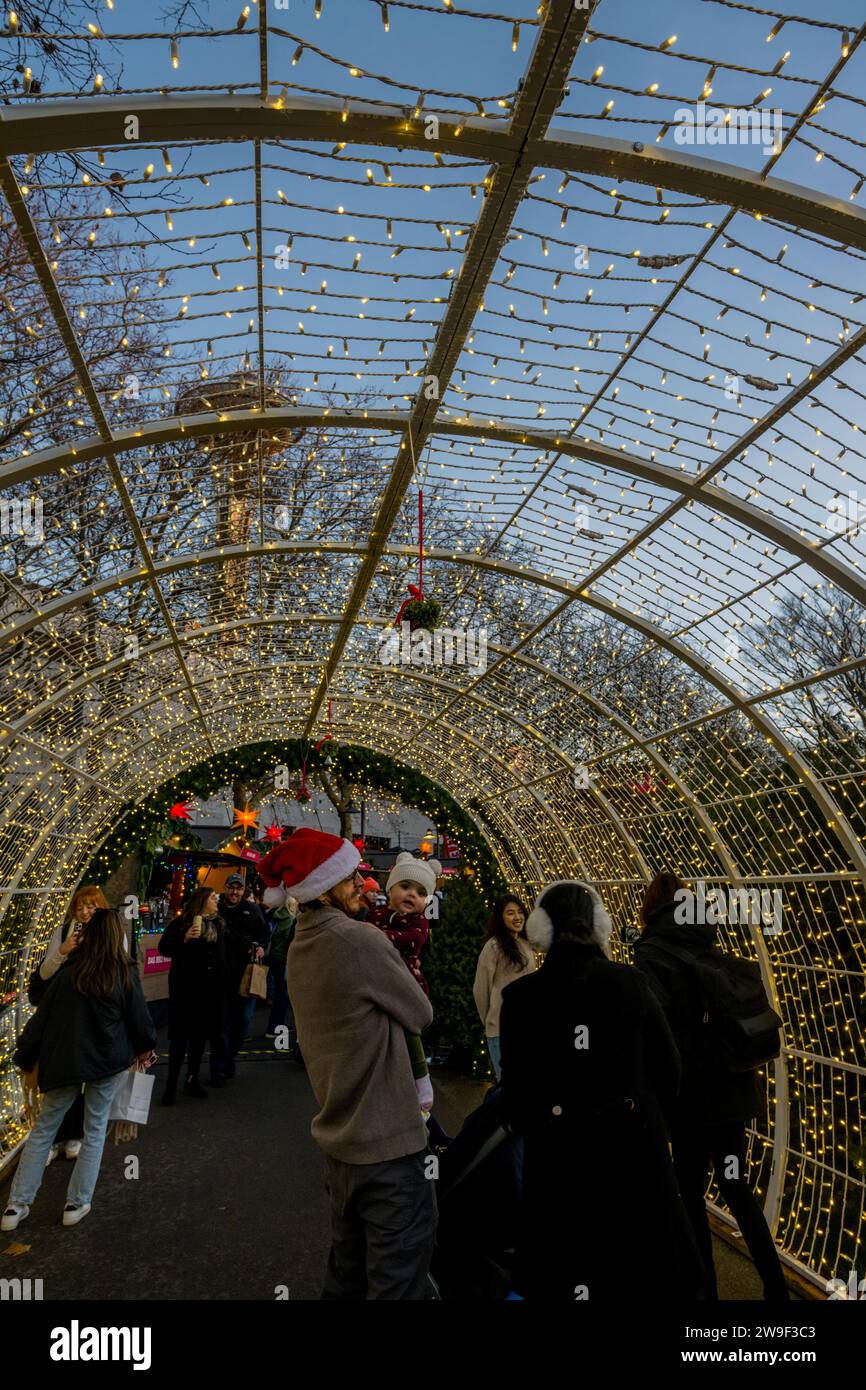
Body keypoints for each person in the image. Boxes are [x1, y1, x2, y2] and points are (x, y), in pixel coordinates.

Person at [498, 879, 706, 1301]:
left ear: (540, 928)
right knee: (635, 1270)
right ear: (601, 926)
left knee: (565, 1269)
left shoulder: (520, 997)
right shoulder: (631, 983)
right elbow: (669, 1066)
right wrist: (649, 1122)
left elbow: (515, 1090)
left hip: (556, 1161)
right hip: (632, 1152)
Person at [258, 828, 436, 1300]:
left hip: (341, 1144)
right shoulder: (359, 940)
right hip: (389, 1147)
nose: (362, 882)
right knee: (396, 1279)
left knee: (348, 1274)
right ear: (324, 884)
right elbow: (420, 1012)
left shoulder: (301, 944)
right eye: (350, 876)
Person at [633, 872, 789, 1302]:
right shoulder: (704, 939)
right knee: (737, 1188)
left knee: (690, 1194)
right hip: (732, 1091)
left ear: (651, 906)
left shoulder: (651, 952)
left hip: (688, 1101)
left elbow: (655, 1030)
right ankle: (776, 1289)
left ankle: (706, 1292)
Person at [3, 908, 157, 1232]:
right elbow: (140, 1021)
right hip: (107, 1062)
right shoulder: (123, 972)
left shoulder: (68, 972)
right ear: (118, 936)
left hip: (64, 1061)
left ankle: (15, 1207)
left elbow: (39, 1017)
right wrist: (146, 1048)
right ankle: (76, 1203)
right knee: (95, 1127)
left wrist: (24, 1056)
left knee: (44, 1128)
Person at [31, 885, 109, 1165]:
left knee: (85, 1077)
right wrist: (63, 950)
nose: (86, 912)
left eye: (91, 906)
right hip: (63, 1016)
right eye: (80, 907)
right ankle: (55, 1136)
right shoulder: (63, 933)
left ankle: (75, 1134)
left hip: (94, 1015)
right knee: (62, 1076)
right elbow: (43, 974)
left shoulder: (109, 934)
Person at [366, 852, 439, 1114]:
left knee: (410, 1033)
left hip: (407, 986)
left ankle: (422, 1079)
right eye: (405, 887)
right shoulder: (375, 914)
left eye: (420, 893)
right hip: (377, 984)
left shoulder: (420, 921)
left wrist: (379, 936)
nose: (411, 895)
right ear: (391, 888)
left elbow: (412, 940)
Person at [158, 887, 228, 1102]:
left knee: (199, 1038)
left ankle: (192, 1079)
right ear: (202, 901)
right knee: (179, 1039)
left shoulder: (218, 924)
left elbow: (222, 955)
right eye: (213, 898)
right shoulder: (181, 923)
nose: (216, 901)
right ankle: (170, 1085)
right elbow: (164, 948)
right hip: (185, 990)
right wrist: (184, 939)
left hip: (209, 991)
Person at [473, 894, 536, 1081]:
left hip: (526, 1026)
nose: (517, 917)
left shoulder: (526, 943)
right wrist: (490, 1018)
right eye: (510, 913)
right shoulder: (494, 946)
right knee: (507, 1084)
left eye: (519, 912)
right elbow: (480, 988)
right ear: (500, 918)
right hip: (501, 1028)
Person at [217, 872, 269, 1078]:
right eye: (232, 887)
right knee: (222, 1020)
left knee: (242, 1020)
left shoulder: (252, 909)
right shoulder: (216, 907)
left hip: (245, 972)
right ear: (225, 887)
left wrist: (262, 947)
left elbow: (264, 933)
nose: (234, 892)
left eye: (238, 888)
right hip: (221, 972)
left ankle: (229, 1057)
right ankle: (221, 1064)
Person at [264, 894, 298, 1045]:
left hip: (272, 957)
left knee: (280, 993)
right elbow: (288, 942)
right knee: (282, 995)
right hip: (282, 960)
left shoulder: (275, 916)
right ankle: (275, 1027)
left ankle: (275, 1025)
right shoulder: (289, 921)